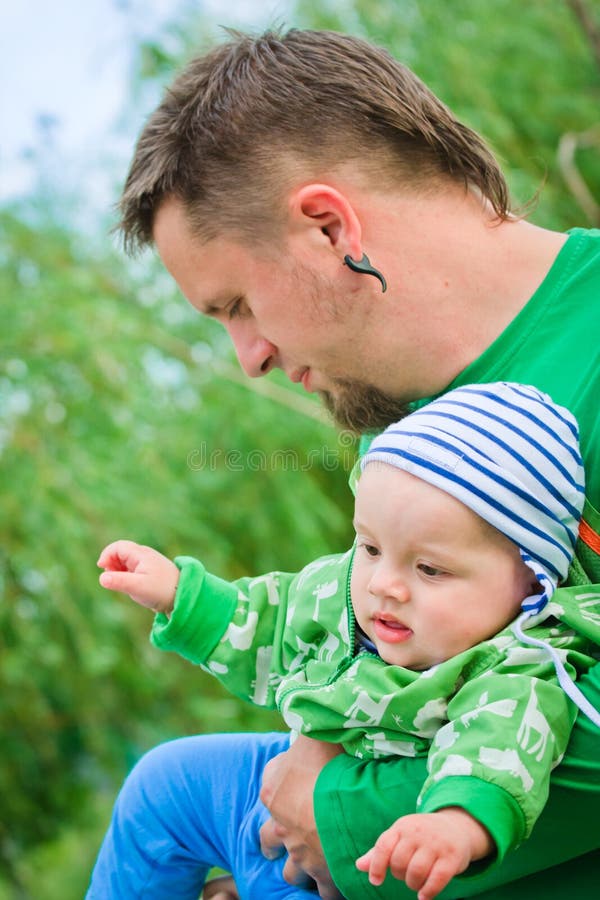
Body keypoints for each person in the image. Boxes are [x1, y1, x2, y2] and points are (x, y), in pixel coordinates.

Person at [88, 26, 600, 900]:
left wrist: (338, 811)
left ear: (330, 227)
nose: (247, 357)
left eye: (238, 305)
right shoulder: (392, 425)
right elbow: (367, 654)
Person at [93, 382, 600, 900]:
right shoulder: (345, 593)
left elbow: (499, 754)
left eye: (429, 568)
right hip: (277, 784)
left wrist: (451, 825)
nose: (384, 584)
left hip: (367, 855)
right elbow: (273, 617)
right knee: (165, 785)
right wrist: (182, 597)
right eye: (371, 546)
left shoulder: (513, 671)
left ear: (532, 583)